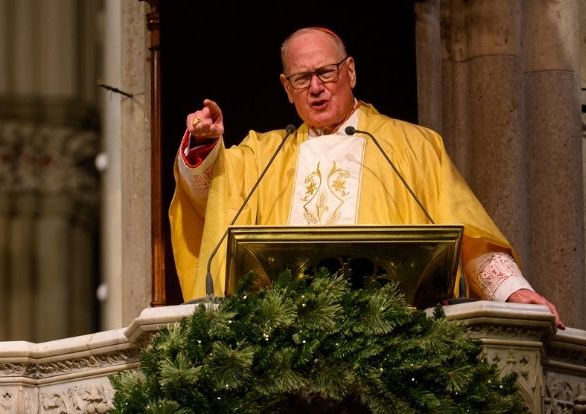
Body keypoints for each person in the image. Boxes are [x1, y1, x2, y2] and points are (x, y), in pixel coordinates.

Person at [169, 26, 565, 329]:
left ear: (351, 71)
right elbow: (208, 195)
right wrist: (202, 145)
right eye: (302, 79)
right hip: (283, 338)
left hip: (394, 333)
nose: (317, 88)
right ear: (286, 88)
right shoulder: (262, 155)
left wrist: (514, 291)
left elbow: (469, 234)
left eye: (326, 72)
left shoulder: (413, 146)